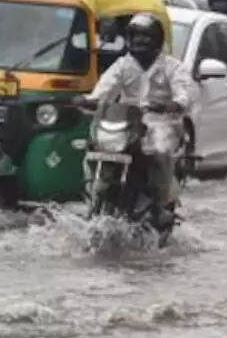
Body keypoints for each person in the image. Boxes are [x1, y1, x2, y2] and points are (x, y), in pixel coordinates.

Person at [74, 13, 195, 243]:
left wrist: (172, 104)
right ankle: (94, 194)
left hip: (162, 124)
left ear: (157, 39)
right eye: (135, 35)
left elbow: (184, 94)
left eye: (146, 36)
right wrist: (88, 100)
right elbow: (105, 90)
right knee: (94, 146)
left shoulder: (173, 67)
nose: (140, 41)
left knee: (160, 152)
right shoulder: (123, 65)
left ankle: (161, 204)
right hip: (127, 124)